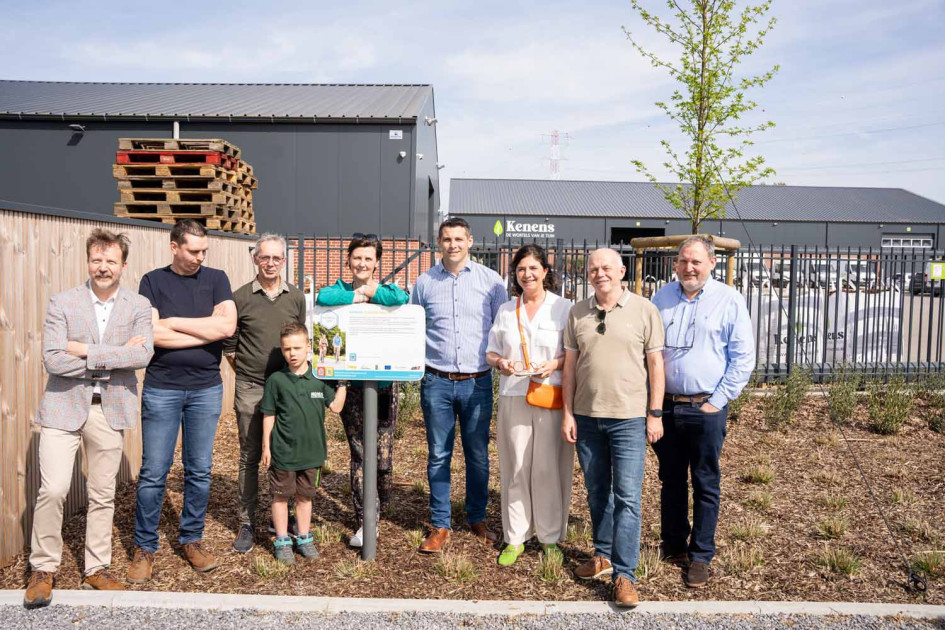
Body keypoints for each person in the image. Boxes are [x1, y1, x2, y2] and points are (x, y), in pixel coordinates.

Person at [23, 229, 154, 609]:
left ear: (123, 265)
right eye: (97, 259)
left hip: (111, 409)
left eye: (111, 260)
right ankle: (43, 569)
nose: (103, 267)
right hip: (63, 408)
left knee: (102, 494)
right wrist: (112, 353)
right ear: (87, 261)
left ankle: (97, 567)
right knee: (53, 490)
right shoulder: (62, 303)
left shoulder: (139, 306)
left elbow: (142, 356)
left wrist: (84, 351)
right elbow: (53, 359)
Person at [128, 219, 237, 583]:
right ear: (174, 246)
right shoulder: (152, 281)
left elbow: (227, 328)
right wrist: (204, 330)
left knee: (200, 470)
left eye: (204, 250)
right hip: (162, 388)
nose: (199, 257)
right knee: (153, 472)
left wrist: (175, 323)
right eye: (193, 250)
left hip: (206, 389)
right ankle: (144, 546)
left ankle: (191, 539)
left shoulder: (217, 278)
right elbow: (152, 335)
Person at [561, 248, 665, 608]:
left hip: (630, 419)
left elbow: (656, 364)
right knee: (595, 493)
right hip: (587, 418)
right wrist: (567, 413)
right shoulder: (578, 312)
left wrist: (655, 413)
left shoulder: (644, 310)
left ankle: (625, 576)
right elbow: (570, 369)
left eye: (606, 267)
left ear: (622, 270)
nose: (599, 273)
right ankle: (602, 555)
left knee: (628, 499)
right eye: (593, 268)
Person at [651, 235, 755, 588]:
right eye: (682, 260)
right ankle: (675, 544)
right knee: (671, 480)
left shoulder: (729, 300)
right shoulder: (661, 297)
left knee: (705, 482)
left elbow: (743, 358)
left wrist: (717, 401)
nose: (688, 267)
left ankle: (700, 556)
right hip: (666, 407)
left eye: (695, 261)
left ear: (711, 262)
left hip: (706, 406)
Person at [410, 217, 507, 552]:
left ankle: (476, 517)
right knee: (438, 454)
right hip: (436, 380)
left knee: (478, 454)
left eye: (458, 239)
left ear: (470, 241)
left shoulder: (491, 282)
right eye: (446, 239)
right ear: (439, 243)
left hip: (477, 382)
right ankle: (440, 524)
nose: (453, 245)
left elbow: (502, 328)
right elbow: (413, 327)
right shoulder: (424, 283)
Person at [316, 234, 410, 547]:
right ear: (348, 259)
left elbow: (401, 297)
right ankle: (365, 522)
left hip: (384, 387)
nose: (362, 263)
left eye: (369, 259)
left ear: (376, 263)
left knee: (382, 458)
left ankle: (381, 501)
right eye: (357, 257)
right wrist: (356, 297)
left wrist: (372, 292)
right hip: (352, 386)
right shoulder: (339, 291)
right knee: (360, 454)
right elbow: (324, 298)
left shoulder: (383, 290)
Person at [485, 244, 573, 567]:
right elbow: (490, 352)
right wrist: (502, 364)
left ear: (545, 271)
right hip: (514, 394)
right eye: (521, 269)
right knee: (516, 466)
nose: (527, 274)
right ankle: (515, 537)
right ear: (516, 274)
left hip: (550, 394)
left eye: (534, 268)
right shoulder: (508, 310)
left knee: (549, 466)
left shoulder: (563, 308)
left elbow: (574, 353)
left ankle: (550, 537)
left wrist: (555, 364)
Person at [223, 234, 306, 553]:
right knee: (250, 455)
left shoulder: (296, 298)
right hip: (252, 387)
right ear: (255, 258)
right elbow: (230, 346)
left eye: (277, 258)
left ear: (284, 261)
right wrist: (246, 374)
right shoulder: (240, 297)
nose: (271, 263)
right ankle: (247, 522)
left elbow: (300, 338)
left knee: (285, 455)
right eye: (265, 257)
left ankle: (281, 518)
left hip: (287, 387)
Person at [261, 322, 347, 564]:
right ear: (282, 349)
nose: (293, 353)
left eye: (298, 347)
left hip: (312, 453)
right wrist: (266, 447)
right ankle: (282, 540)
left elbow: (337, 407)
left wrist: (343, 383)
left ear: (309, 347)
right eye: (287, 349)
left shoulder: (319, 379)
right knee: (280, 497)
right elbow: (269, 415)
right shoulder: (276, 381)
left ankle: (304, 537)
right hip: (283, 452)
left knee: (305, 497)